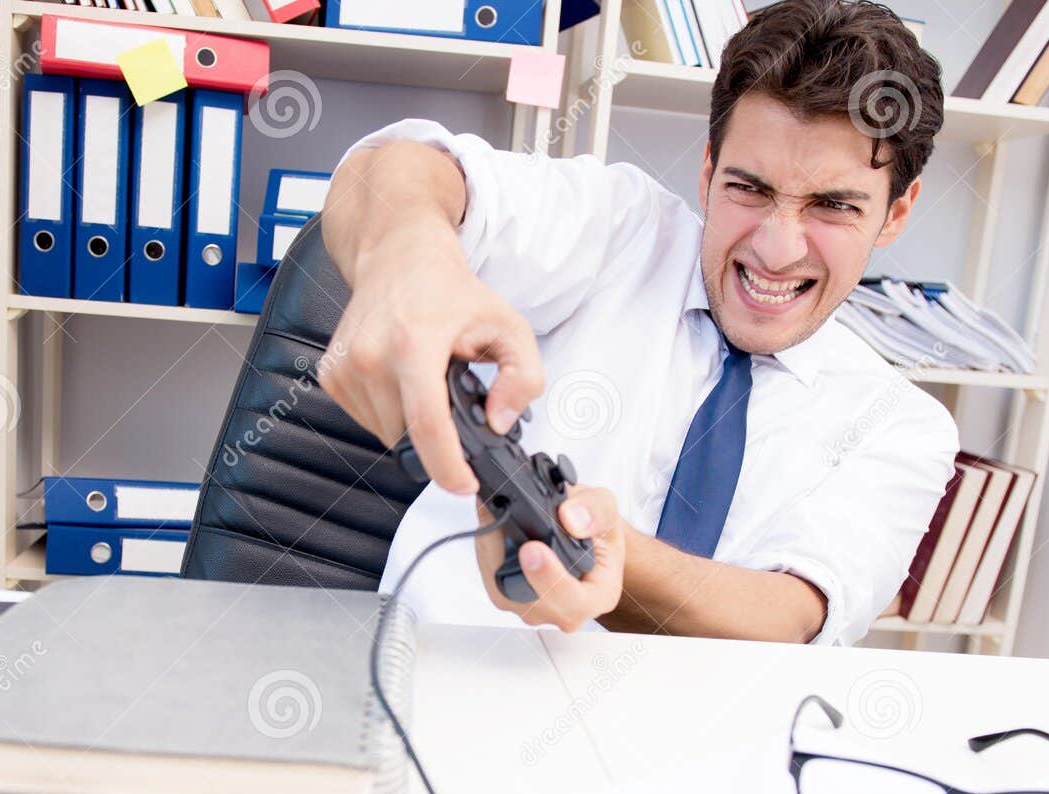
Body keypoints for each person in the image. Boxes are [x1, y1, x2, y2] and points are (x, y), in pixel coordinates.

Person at [318, 0, 958, 645]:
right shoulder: (618, 231)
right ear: (708, 172)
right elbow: (393, 168)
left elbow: (790, 615)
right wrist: (408, 256)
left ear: (896, 213)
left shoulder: (903, 426)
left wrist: (599, 547)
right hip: (431, 696)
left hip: (694, 742)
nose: (776, 249)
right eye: (750, 189)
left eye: (832, 206)